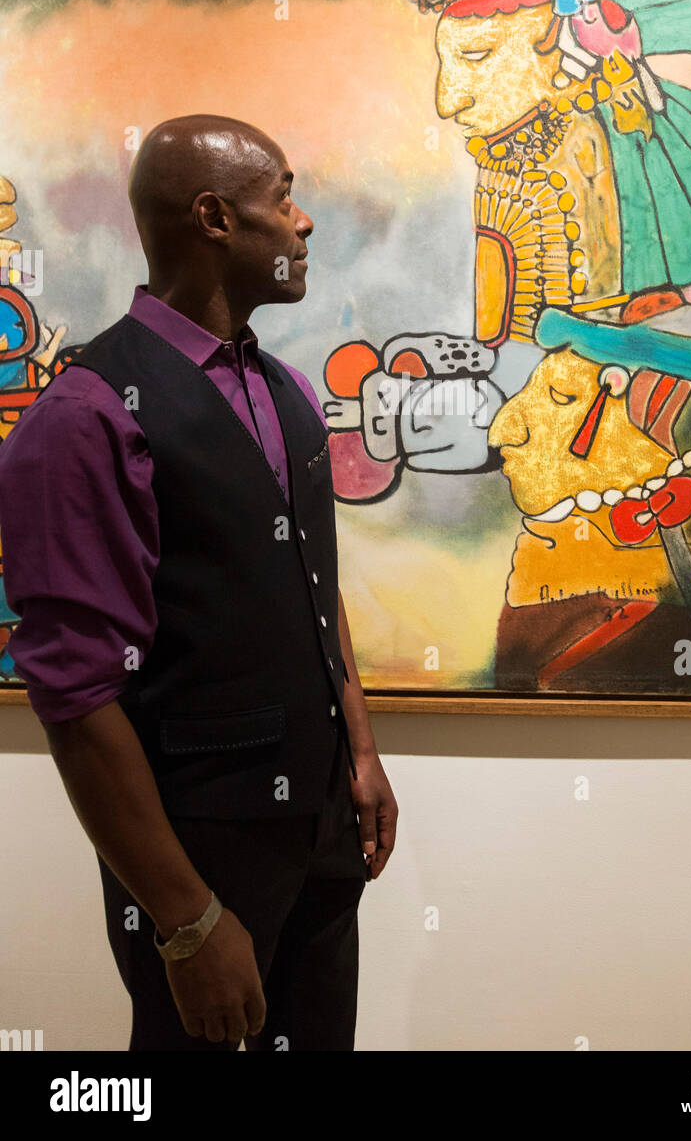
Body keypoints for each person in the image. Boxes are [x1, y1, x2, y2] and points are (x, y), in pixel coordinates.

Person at [0, 114, 398, 1051]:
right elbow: (74, 694)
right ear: (215, 218)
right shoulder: (87, 415)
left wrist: (362, 753)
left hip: (321, 840)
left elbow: (310, 582)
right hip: (200, 863)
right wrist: (184, 921)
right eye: (284, 199)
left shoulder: (287, 393)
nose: (303, 225)